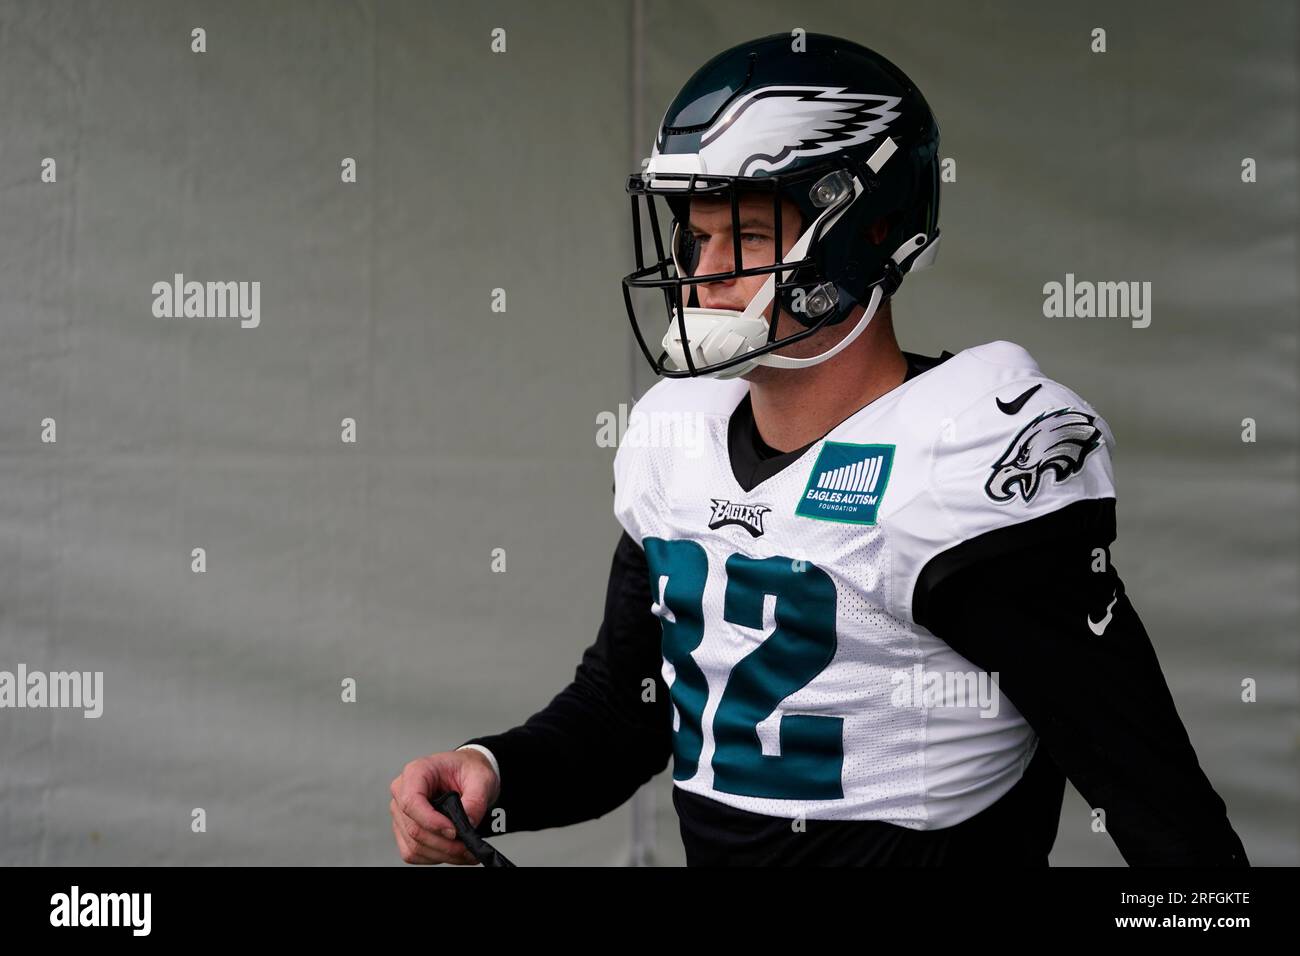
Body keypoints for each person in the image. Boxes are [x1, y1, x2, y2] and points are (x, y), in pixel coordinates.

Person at [390, 32, 1248, 866]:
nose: (705, 272)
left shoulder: (962, 459)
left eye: (749, 237)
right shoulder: (678, 438)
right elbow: (628, 712)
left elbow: (1153, 799)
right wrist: (495, 774)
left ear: (863, 235)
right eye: (696, 236)